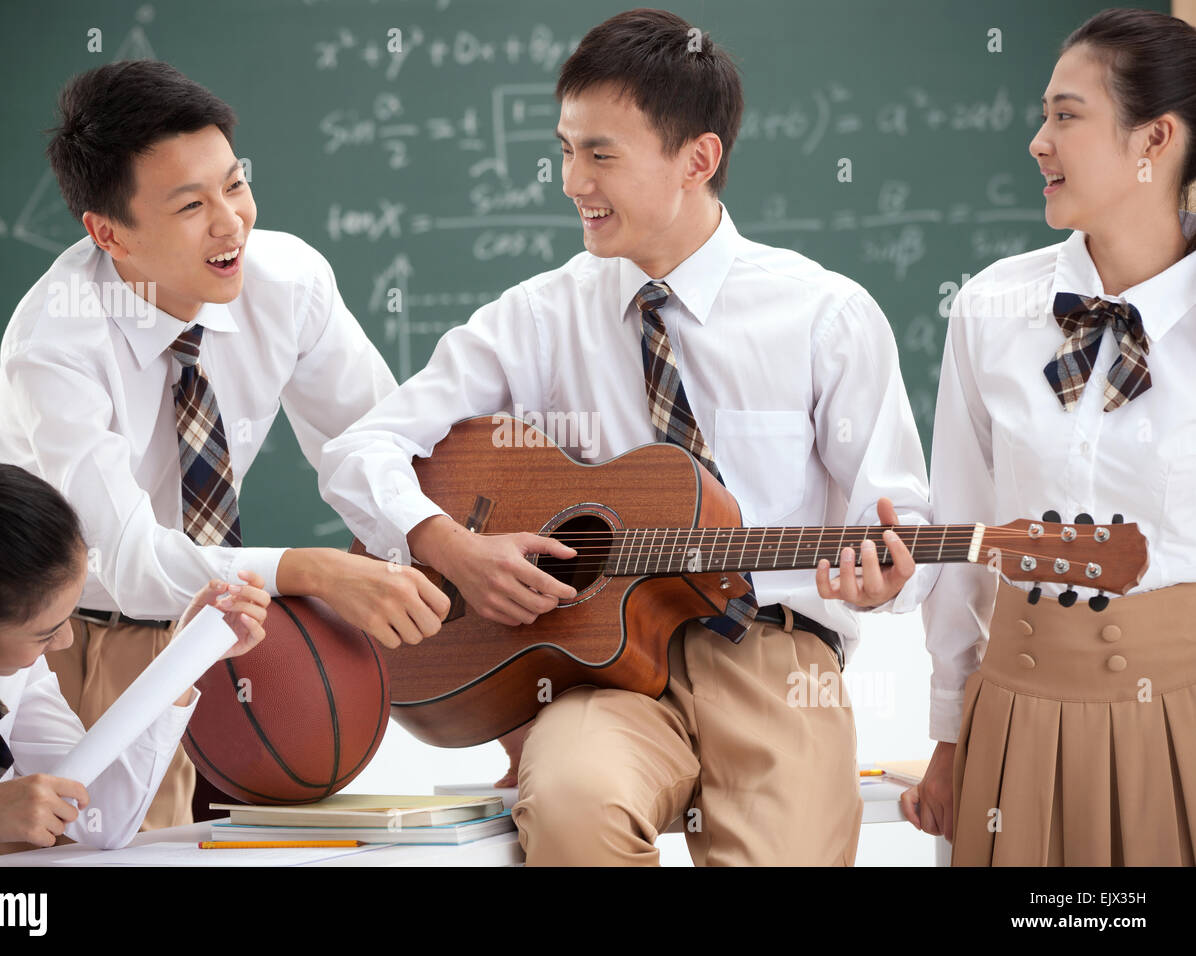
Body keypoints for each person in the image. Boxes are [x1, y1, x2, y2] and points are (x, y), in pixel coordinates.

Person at [320, 8, 931, 866]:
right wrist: (447, 545)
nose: (572, 180)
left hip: (775, 657)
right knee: (570, 809)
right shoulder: (538, 315)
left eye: (600, 153)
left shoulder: (825, 314)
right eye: (566, 149)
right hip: (593, 667)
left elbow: (901, 514)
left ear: (698, 160)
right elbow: (359, 451)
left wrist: (882, 586)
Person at [0, 60, 448, 828]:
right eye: (191, 205)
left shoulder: (290, 282)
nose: (231, 223)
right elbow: (127, 562)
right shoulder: (57, 342)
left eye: (235, 184)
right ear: (107, 233)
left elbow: (371, 446)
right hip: (60, 634)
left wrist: (439, 544)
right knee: (97, 842)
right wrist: (314, 571)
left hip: (216, 620)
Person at [904, 7, 1196, 866]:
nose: (1037, 140)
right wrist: (950, 738)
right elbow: (960, 535)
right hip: (1014, 717)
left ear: (1156, 138)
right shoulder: (992, 307)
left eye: (1067, 115)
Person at [0, 463, 270, 866]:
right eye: (45, 632)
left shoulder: (9, 670)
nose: (66, 640)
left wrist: (186, 658)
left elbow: (101, 817)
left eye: (67, 618)